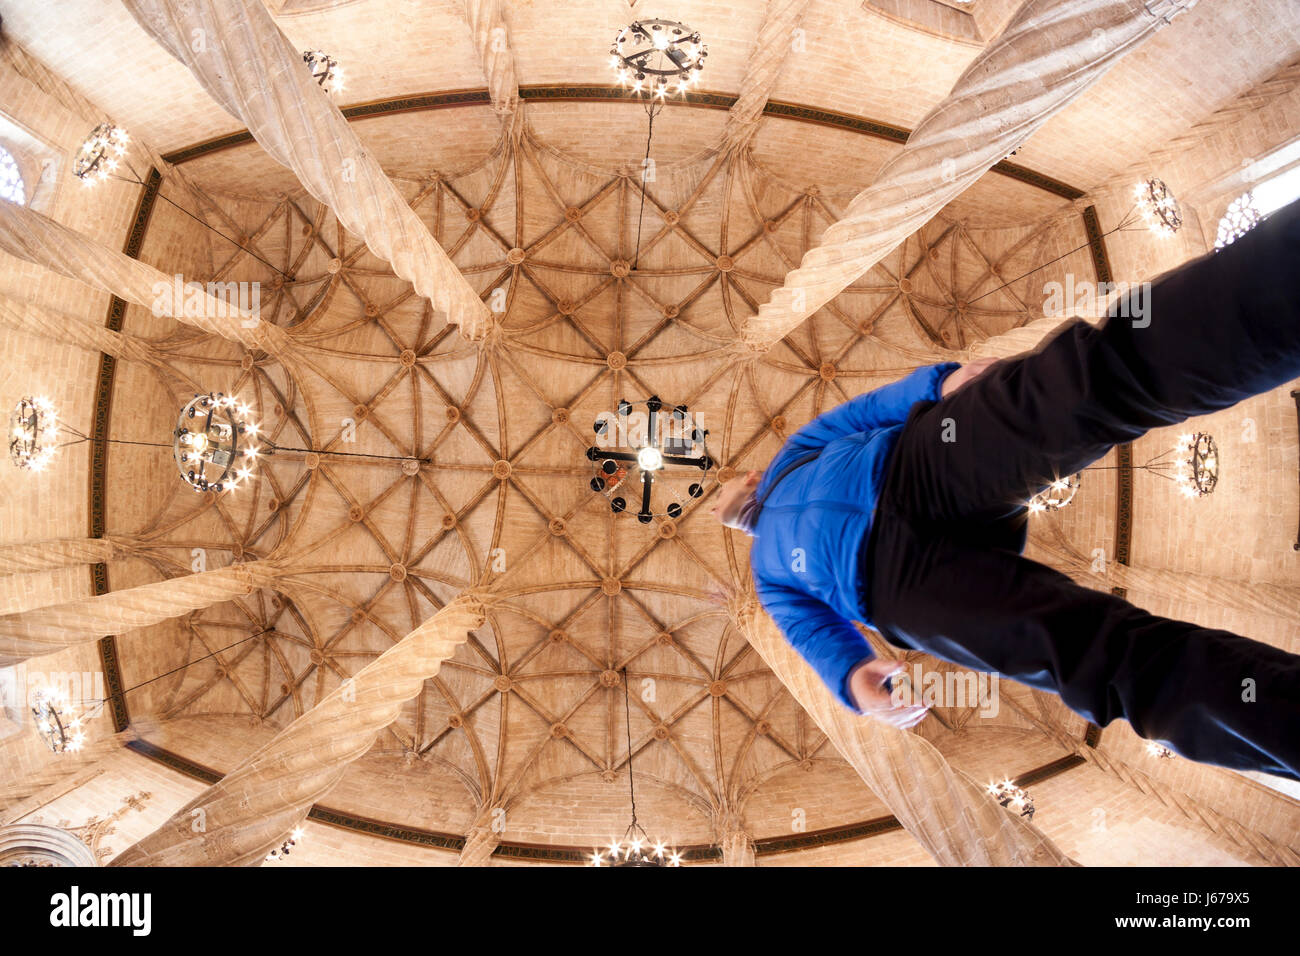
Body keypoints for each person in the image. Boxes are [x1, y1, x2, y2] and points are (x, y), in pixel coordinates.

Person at [713, 197, 1300, 782]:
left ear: (751, 478)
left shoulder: (792, 455)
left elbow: (860, 415)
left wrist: (941, 381)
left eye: (725, 493)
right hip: (897, 585)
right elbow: (812, 634)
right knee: (1097, 661)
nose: (726, 506)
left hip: (916, 462)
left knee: (1088, 385)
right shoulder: (770, 578)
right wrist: (852, 682)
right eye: (722, 510)